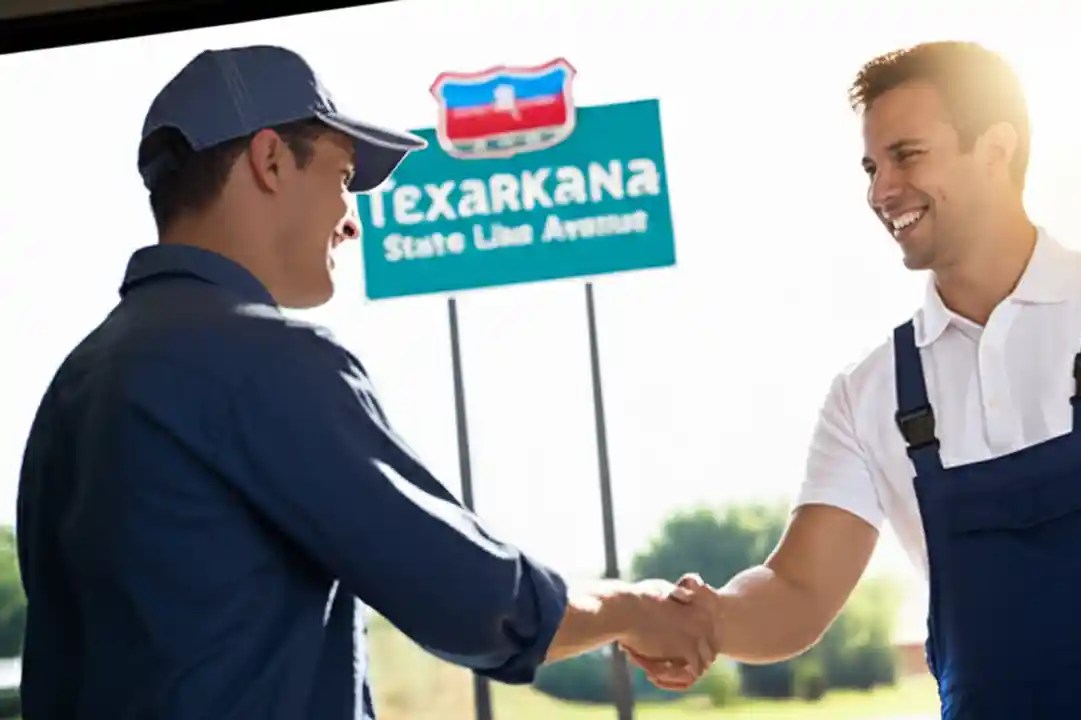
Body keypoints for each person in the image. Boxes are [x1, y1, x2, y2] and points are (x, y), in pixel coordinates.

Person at [14, 45, 716, 720]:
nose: (352, 221)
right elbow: (471, 597)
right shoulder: (266, 357)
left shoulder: (76, 384)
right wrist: (634, 612)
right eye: (345, 179)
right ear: (269, 160)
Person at [629, 41, 1081, 718]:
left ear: (997, 150)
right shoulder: (870, 392)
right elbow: (796, 592)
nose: (881, 191)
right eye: (871, 166)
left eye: (907, 155)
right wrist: (707, 617)